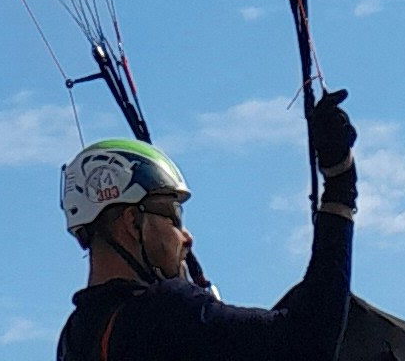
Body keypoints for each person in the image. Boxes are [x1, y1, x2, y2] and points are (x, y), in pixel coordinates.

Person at [56, 93, 360, 361]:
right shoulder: (164, 313)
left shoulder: (74, 339)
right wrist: (340, 182)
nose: (186, 236)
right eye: (173, 217)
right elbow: (308, 341)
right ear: (132, 222)